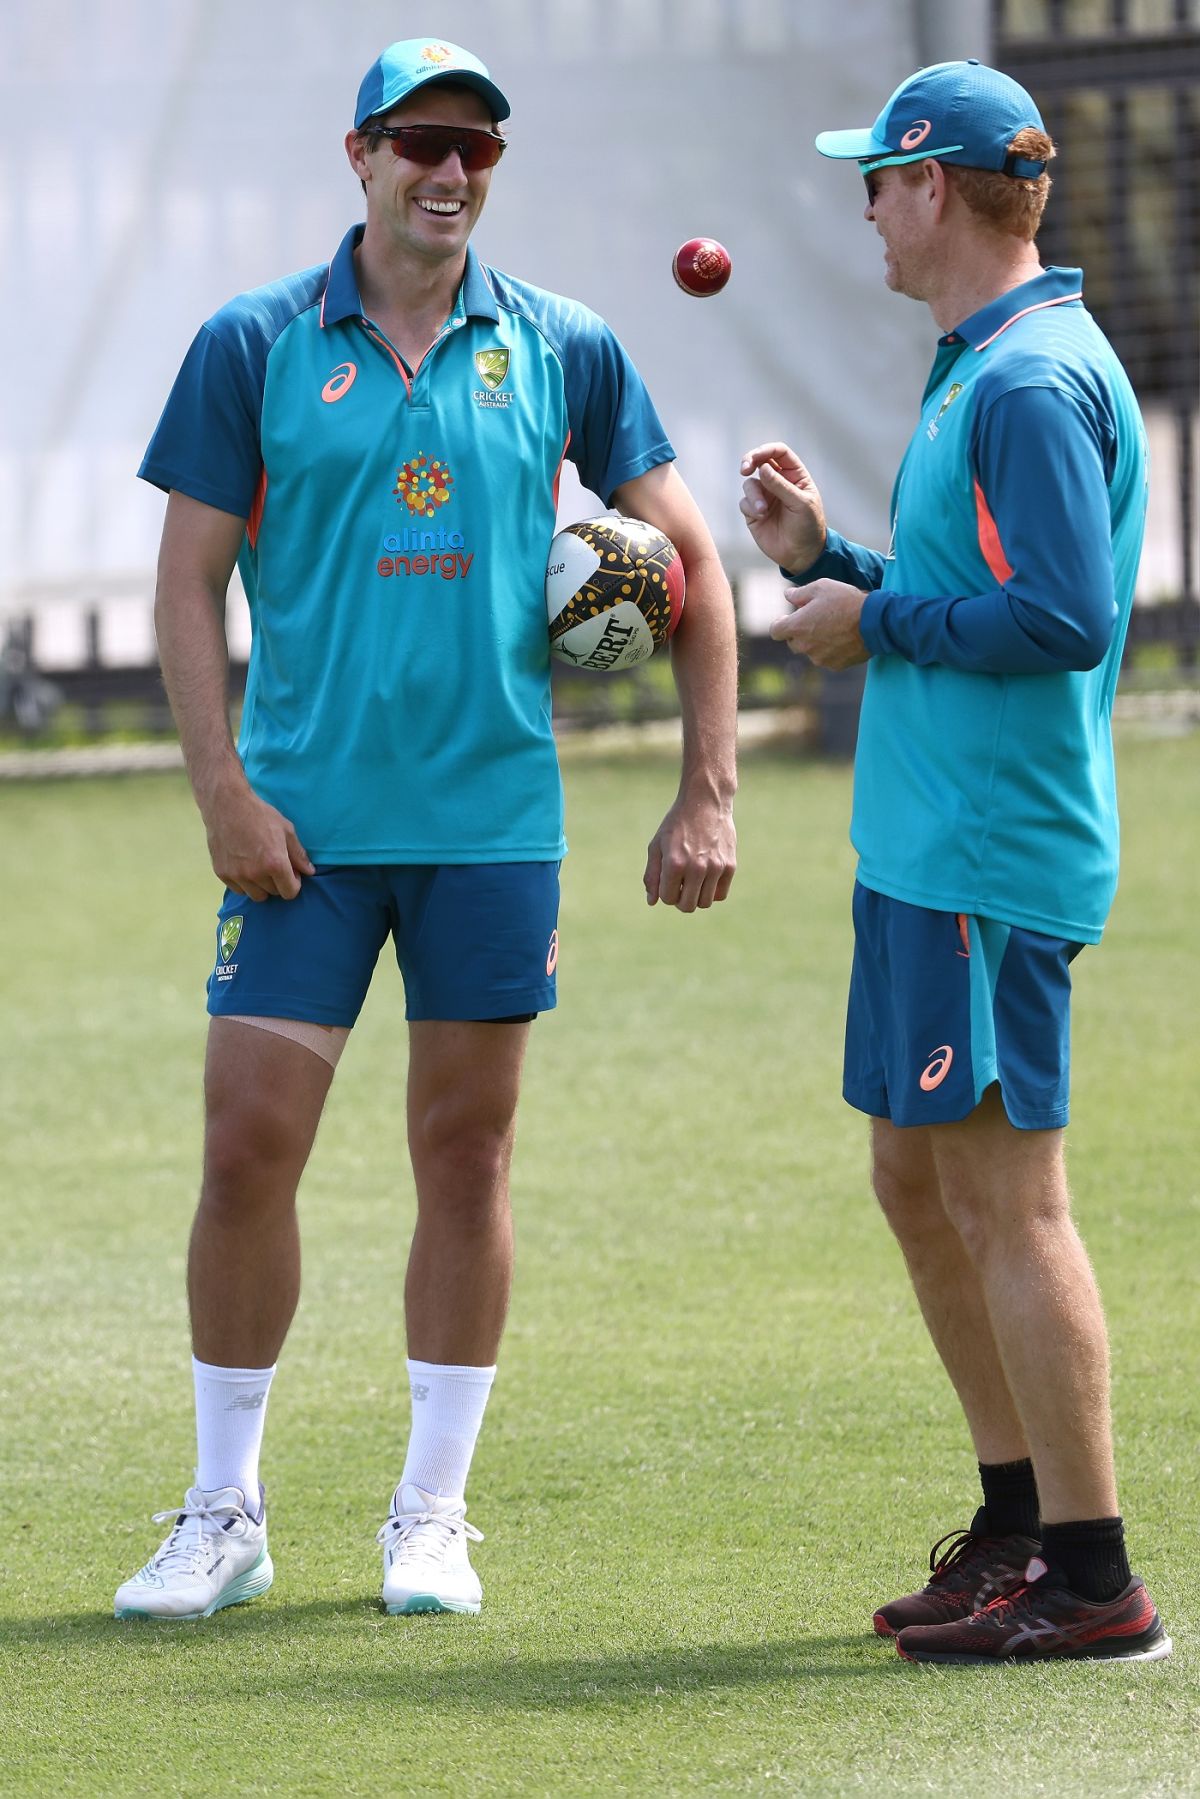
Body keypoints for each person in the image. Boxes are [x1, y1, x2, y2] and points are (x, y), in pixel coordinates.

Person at [115, 37, 737, 1623]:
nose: (450, 172)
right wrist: (222, 793)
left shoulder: (566, 346)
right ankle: (223, 1509)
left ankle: (432, 1515)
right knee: (248, 1149)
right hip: (300, 832)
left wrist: (706, 786)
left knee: (466, 1157)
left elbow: (691, 563)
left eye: (476, 150)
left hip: (491, 827)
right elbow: (186, 582)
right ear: (360, 154)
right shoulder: (251, 342)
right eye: (421, 144)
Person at [741, 60, 1170, 1665]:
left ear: (935, 189)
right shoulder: (982, 362)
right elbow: (967, 580)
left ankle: (1094, 1578)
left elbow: (1060, 619)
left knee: (1007, 1199)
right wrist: (833, 560)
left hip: (990, 855)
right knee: (915, 1180)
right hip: (929, 847)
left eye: (881, 177)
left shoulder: (1027, 382)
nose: (865, 203)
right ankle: (1016, 1526)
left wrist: (879, 621)